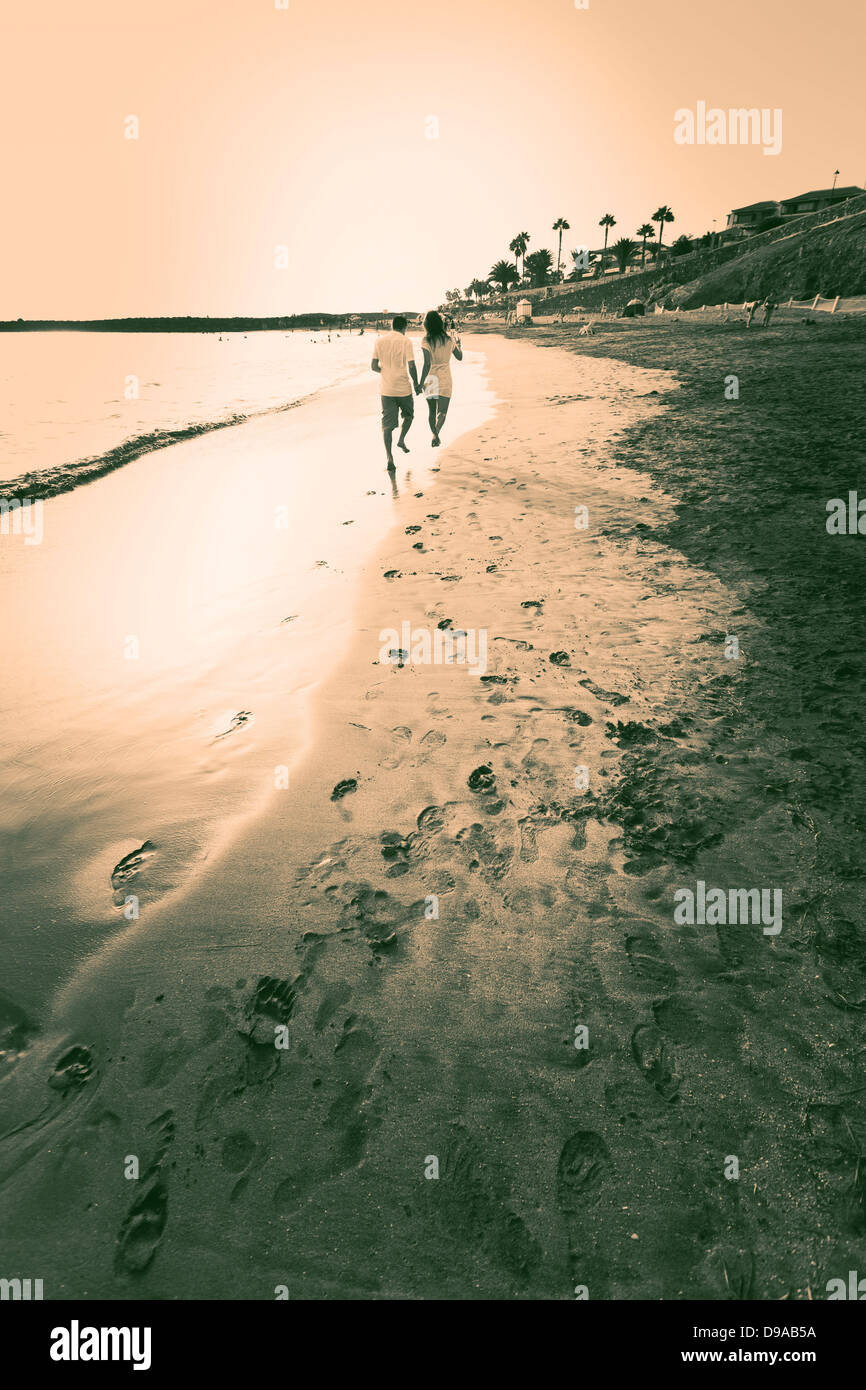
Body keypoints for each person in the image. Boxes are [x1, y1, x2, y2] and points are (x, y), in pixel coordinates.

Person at [371, 315, 418, 469]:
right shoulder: (406, 341)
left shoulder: (379, 341)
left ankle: (389, 457)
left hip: (386, 390)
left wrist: (385, 372)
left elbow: (373, 366)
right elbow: (411, 365)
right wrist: (417, 384)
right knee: (409, 416)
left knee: (387, 426)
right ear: (404, 327)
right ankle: (402, 439)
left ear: (392, 326)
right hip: (403, 388)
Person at [417, 309, 462, 447]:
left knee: (431, 411)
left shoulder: (426, 340)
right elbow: (460, 357)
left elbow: (427, 363)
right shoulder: (449, 339)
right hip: (445, 377)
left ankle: (435, 434)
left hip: (431, 377)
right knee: (442, 412)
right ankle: (435, 434)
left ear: (427, 324)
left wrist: (420, 383)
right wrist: (459, 344)